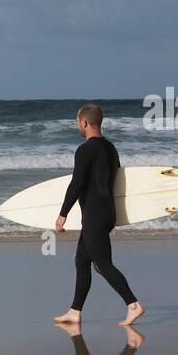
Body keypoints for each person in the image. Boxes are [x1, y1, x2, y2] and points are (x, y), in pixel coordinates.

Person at [52, 104, 144, 326]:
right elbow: (118, 182)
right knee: (82, 261)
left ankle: (133, 304)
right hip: (107, 213)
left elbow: (76, 184)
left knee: (102, 263)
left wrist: (63, 213)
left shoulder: (85, 150)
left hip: (94, 215)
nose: (77, 126)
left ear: (84, 122)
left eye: (77, 122)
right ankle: (75, 311)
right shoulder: (111, 149)